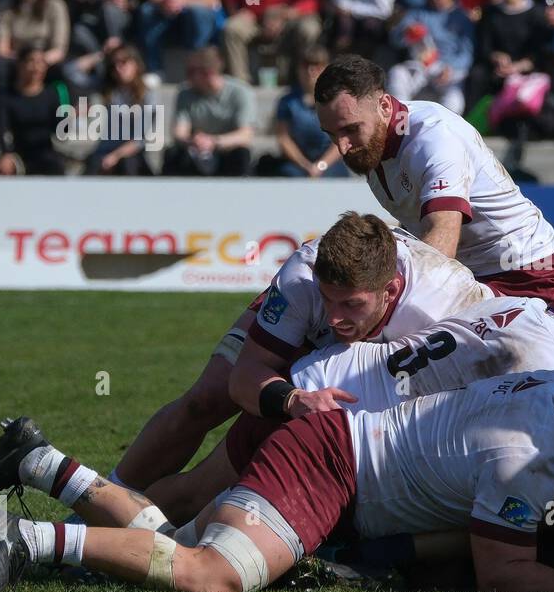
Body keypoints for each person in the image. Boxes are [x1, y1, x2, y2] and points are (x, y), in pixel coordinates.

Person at [0, 367, 554, 592]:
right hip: (329, 466)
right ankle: (29, 539)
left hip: (340, 448)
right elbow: (503, 574)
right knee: (214, 574)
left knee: (174, 541)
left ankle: (38, 462)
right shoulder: (531, 456)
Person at [158, 278, 554, 523]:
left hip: (324, 380)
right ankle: (94, 543)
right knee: (208, 523)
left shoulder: (518, 307)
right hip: (339, 421)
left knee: (195, 498)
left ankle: (97, 531)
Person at [109, 211, 495, 498]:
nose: (335, 317)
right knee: (206, 399)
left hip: (398, 359)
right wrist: (292, 398)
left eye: (351, 304)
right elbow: (244, 378)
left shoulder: (448, 301)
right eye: (328, 299)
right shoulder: (301, 279)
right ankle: (106, 496)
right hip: (301, 328)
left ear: (390, 291)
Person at [314, 55, 554, 300]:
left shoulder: (434, 137)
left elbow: (441, 239)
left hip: (526, 275)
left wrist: (383, 299)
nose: (342, 146)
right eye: (332, 134)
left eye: (351, 129)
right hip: (466, 275)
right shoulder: (371, 139)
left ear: (383, 105)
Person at [387, 0, 474, 115]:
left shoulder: (462, 17)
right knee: (397, 74)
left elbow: (467, 54)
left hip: (448, 68)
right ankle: (401, 124)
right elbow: (395, 40)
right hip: (420, 64)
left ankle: (444, 134)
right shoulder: (417, 12)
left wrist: (451, 67)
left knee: (454, 101)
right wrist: (407, 33)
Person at [163, 48, 255, 177]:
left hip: (226, 150)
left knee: (242, 154)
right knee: (172, 153)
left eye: (191, 73)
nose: (187, 78)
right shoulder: (185, 94)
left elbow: (246, 134)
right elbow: (179, 132)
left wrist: (214, 142)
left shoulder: (240, 92)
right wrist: (194, 141)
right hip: (196, 151)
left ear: (209, 73)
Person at [0, 0, 72, 99]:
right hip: (16, 60)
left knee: (63, 72)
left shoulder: (55, 6)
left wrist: (37, 62)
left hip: (46, 60)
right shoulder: (5, 6)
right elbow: (1, 49)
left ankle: (64, 113)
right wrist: (25, 63)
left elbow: (59, 49)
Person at [0, 46, 70, 176]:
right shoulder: (7, 97)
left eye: (41, 63)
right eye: (31, 61)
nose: (36, 68)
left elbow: (60, 131)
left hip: (46, 154)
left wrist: (69, 116)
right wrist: (6, 154)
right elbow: (2, 130)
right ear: (20, 65)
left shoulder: (51, 95)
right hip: (18, 155)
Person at [272, 46, 346, 179]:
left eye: (317, 66)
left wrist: (321, 166)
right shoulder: (286, 102)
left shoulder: (338, 102)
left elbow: (343, 138)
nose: (310, 71)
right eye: (305, 66)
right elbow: (283, 138)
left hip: (330, 165)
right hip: (297, 165)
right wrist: (305, 165)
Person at [85, 45, 159, 177]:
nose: (119, 68)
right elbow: (71, 72)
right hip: (105, 150)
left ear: (136, 64)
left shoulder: (148, 95)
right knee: (93, 165)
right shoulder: (107, 92)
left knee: (128, 164)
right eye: (114, 65)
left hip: (132, 153)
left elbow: (140, 139)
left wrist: (115, 156)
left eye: (124, 62)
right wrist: (101, 54)